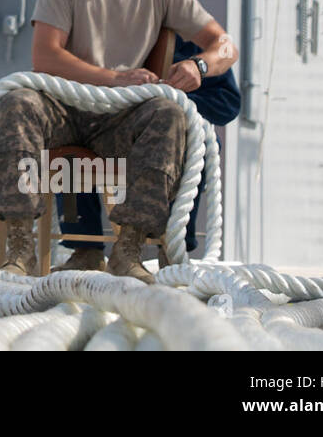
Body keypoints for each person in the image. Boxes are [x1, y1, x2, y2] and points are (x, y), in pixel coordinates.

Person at [0, 0, 238, 282]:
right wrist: (115, 78)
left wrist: (200, 64)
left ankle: (129, 250)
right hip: (67, 109)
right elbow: (45, 57)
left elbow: (225, 45)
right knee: (18, 102)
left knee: (170, 115)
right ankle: (19, 249)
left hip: (120, 120)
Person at [52, 34, 241, 271]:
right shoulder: (96, 31)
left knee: (197, 145)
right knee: (68, 152)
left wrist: (174, 98)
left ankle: (173, 249)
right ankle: (83, 248)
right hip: (105, 132)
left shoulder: (195, 43)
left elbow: (227, 104)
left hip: (165, 143)